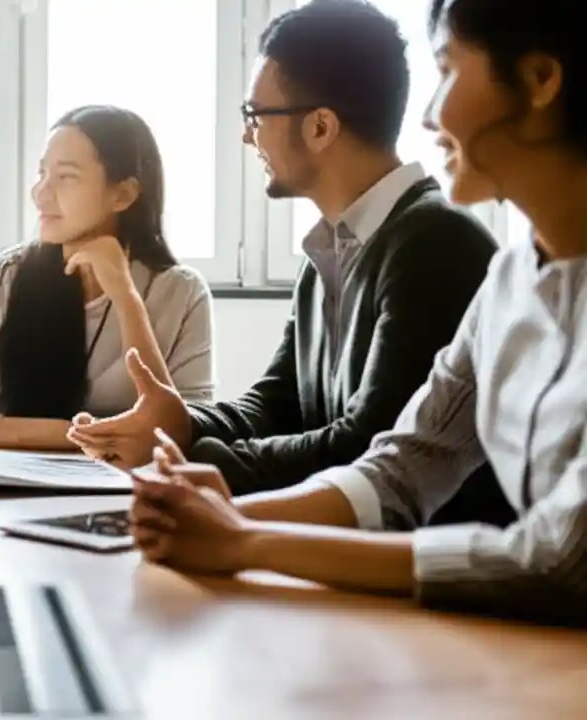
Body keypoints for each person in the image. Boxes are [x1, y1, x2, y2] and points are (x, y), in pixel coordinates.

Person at [130, 0, 587, 624]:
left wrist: (246, 537)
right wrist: (222, 513)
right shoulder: (508, 279)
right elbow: (404, 465)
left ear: (540, 79)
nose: (428, 116)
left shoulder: (438, 242)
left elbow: (559, 562)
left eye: (449, 71)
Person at [69, 0, 510, 526]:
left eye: (255, 116)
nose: (246, 134)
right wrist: (181, 425)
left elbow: (367, 447)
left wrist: (192, 460)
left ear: (321, 127)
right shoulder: (331, 248)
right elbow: (277, 403)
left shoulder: (436, 245)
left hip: (419, 582)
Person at [0, 105, 214, 451]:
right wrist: (91, 438)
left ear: (124, 194)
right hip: (15, 495)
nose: (40, 193)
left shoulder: (181, 292)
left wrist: (125, 296)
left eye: (66, 176)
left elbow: (184, 434)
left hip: (135, 496)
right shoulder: (3, 278)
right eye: (42, 174)